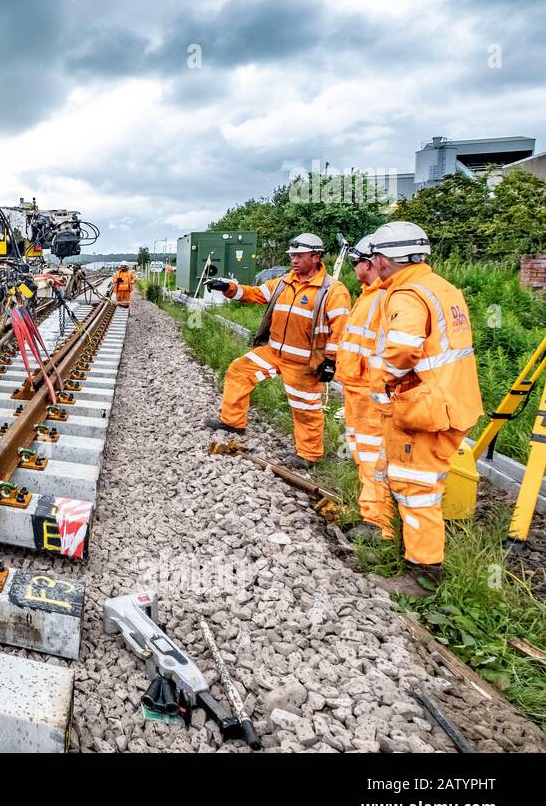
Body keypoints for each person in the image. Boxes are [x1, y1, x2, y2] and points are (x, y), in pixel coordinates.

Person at [367, 221, 482, 589]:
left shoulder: (407, 293)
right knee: (412, 479)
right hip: (453, 401)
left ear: (385, 260)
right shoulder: (442, 288)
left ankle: (424, 573)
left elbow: (402, 348)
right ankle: (402, 547)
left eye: (377, 258)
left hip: (426, 407)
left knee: (417, 488)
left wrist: (383, 379)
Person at [202, 233, 351, 468]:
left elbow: (341, 329)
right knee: (239, 371)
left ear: (316, 257)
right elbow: (255, 293)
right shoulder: (283, 283)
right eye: (292, 256)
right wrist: (228, 288)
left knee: (305, 407)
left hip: (305, 362)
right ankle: (232, 422)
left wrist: (331, 361)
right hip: (273, 353)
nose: (294, 260)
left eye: (299, 256)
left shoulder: (333, 291)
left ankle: (309, 455)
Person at [336, 234, 392, 541]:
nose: (354, 268)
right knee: (362, 452)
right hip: (358, 388)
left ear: (367, 263)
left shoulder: (384, 297)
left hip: (372, 392)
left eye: (356, 262)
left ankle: (377, 524)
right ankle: (368, 512)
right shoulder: (369, 294)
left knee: (372, 455)